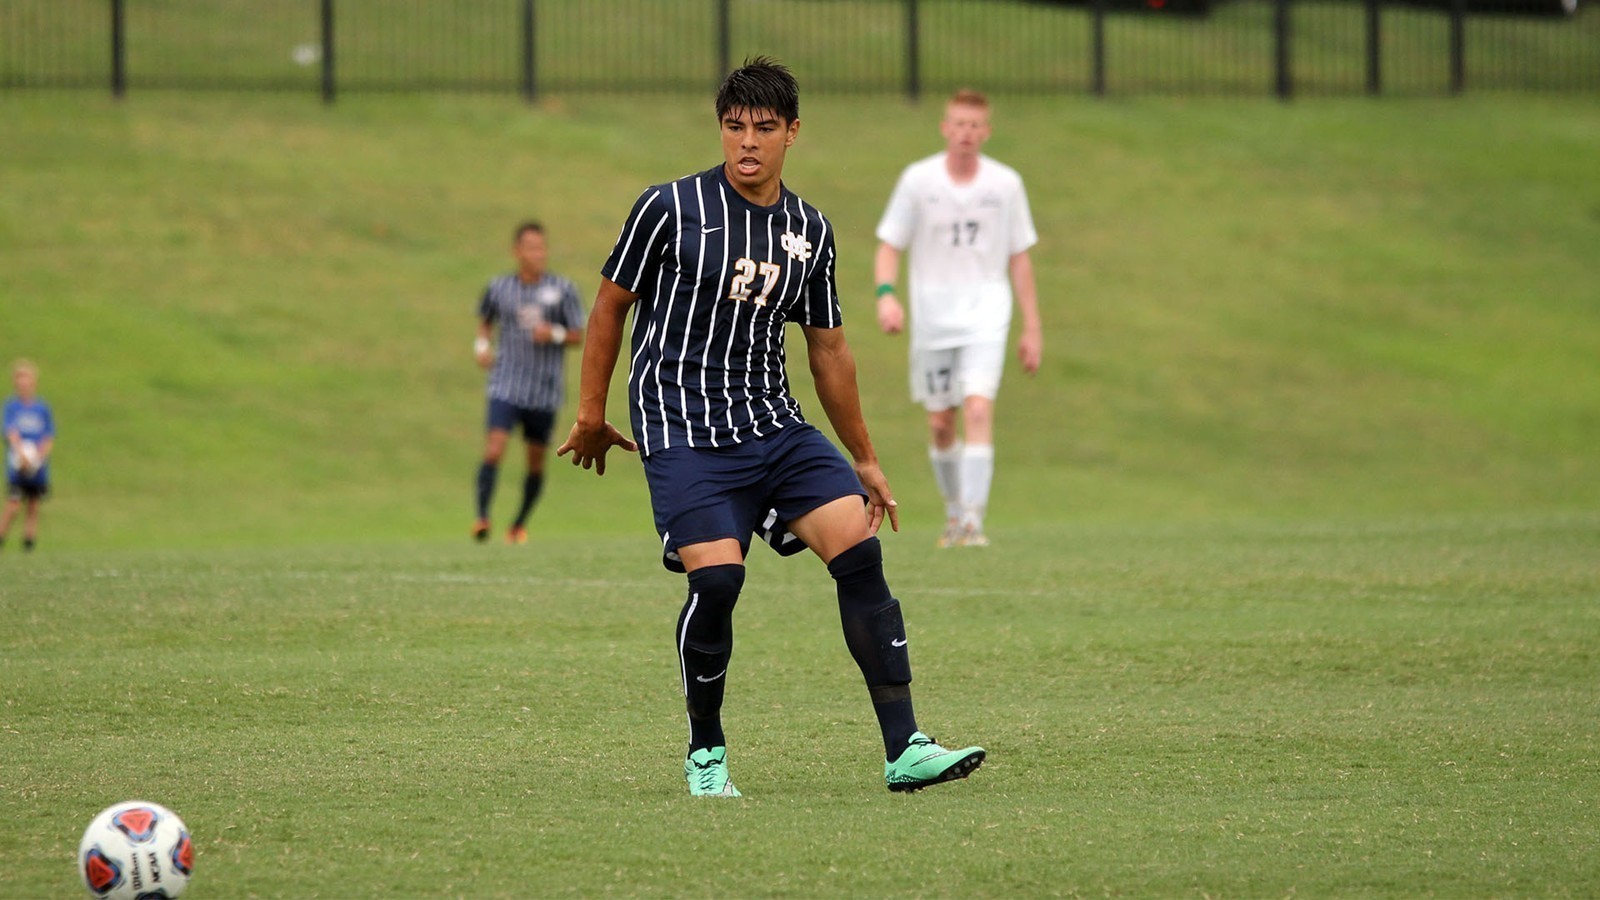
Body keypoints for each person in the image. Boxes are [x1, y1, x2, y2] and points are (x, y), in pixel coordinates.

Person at [557, 57, 984, 797]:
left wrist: (868, 459)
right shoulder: (668, 208)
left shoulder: (810, 231)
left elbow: (829, 349)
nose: (746, 142)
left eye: (762, 128)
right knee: (719, 580)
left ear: (792, 133)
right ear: (719, 129)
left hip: (772, 423)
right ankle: (706, 754)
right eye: (733, 126)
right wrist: (591, 412)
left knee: (857, 543)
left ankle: (905, 747)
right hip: (681, 421)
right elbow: (609, 306)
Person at [873, 88, 1042, 549]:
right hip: (933, 318)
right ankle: (952, 512)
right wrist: (886, 295)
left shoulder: (1005, 184)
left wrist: (1032, 327)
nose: (966, 133)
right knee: (941, 423)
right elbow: (890, 244)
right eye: (958, 124)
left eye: (975, 125)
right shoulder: (918, 181)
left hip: (987, 312)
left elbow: (1020, 258)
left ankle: (972, 520)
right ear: (946, 128)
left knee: (978, 407)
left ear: (986, 132)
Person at [471, 221, 586, 544]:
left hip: (543, 390)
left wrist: (555, 333)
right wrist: (481, 347)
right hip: (506, 383)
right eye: (531, 247)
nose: (538, 253)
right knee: (494, 449)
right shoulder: (499, 288)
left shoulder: (562, 289)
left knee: (535, 460)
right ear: (517, 251)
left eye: (541, 247)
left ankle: (518, 523)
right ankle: (481, 518)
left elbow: (578, 333)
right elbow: (485, 320)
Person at [2, 359, 56, 553]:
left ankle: (28, 546)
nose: (24, 383)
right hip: (18, 465)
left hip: (37, 466)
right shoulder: (12, 407)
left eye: (27, 379)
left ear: (34, 382)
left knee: (33, 505)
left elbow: (48, 434)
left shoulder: (42, 408)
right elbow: (10, 432)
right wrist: (21, 454)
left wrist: (38, 457)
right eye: (20, 379)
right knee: (13, 505)